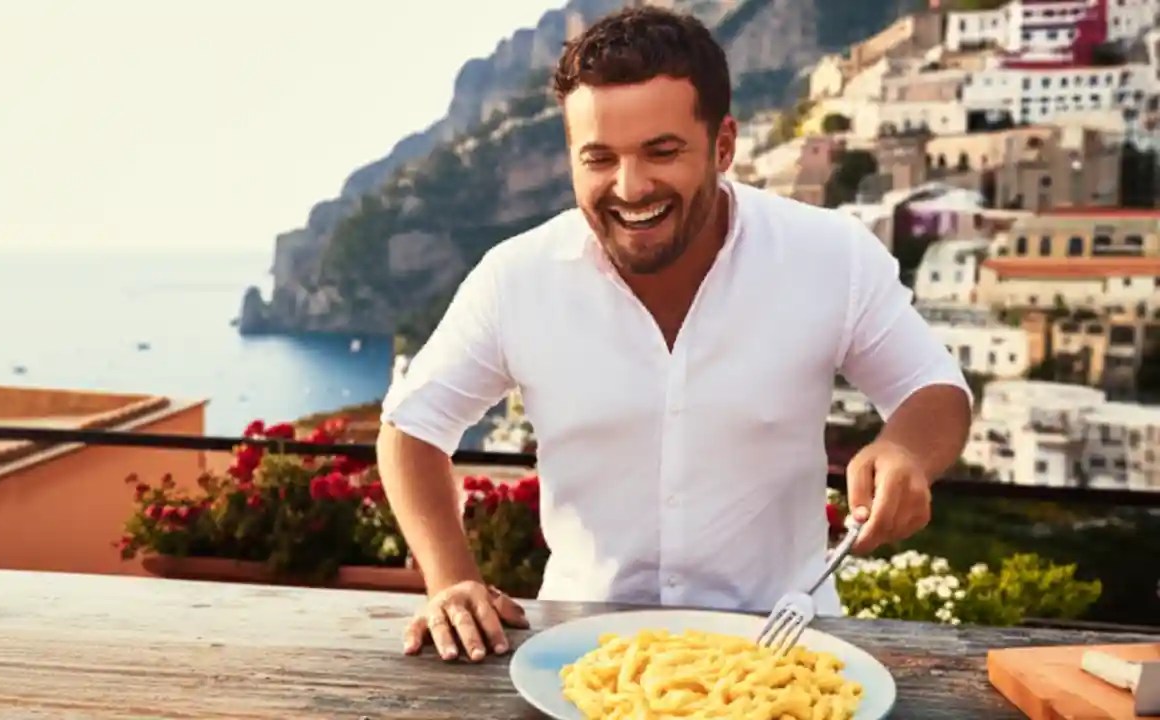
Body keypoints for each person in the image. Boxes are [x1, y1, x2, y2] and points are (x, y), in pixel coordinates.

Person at [376, 5, 973, 663]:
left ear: (722, 145)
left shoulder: (832, 254)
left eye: (662, 151)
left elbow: (934, 389)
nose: (630, 188)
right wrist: (452, 579)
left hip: (783, 657)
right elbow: (412, 428)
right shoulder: (515, 277)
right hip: (579, 657)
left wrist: (907, 454)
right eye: (599, 158)